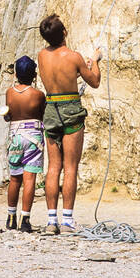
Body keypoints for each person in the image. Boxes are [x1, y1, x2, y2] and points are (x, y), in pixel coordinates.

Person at [37, 13, 101, 234]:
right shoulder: (74, 57)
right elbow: (94, 82)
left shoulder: (41, 56)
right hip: (71, 108)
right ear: (64, 32)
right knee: (70, 167)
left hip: (51, 108)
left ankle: (51, 220)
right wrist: (95, 62)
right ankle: (67, 220)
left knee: (53, 167)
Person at [4, 55, 45, 232]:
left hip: (15, 135)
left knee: (15, 179)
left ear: (15, 74)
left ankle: (10, 218)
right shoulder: (38, 94)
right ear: (34, 75)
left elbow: (8, 115)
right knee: (29, 179)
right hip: (33, 137)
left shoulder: (9, 92)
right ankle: (25, 220)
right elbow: (42, 114)